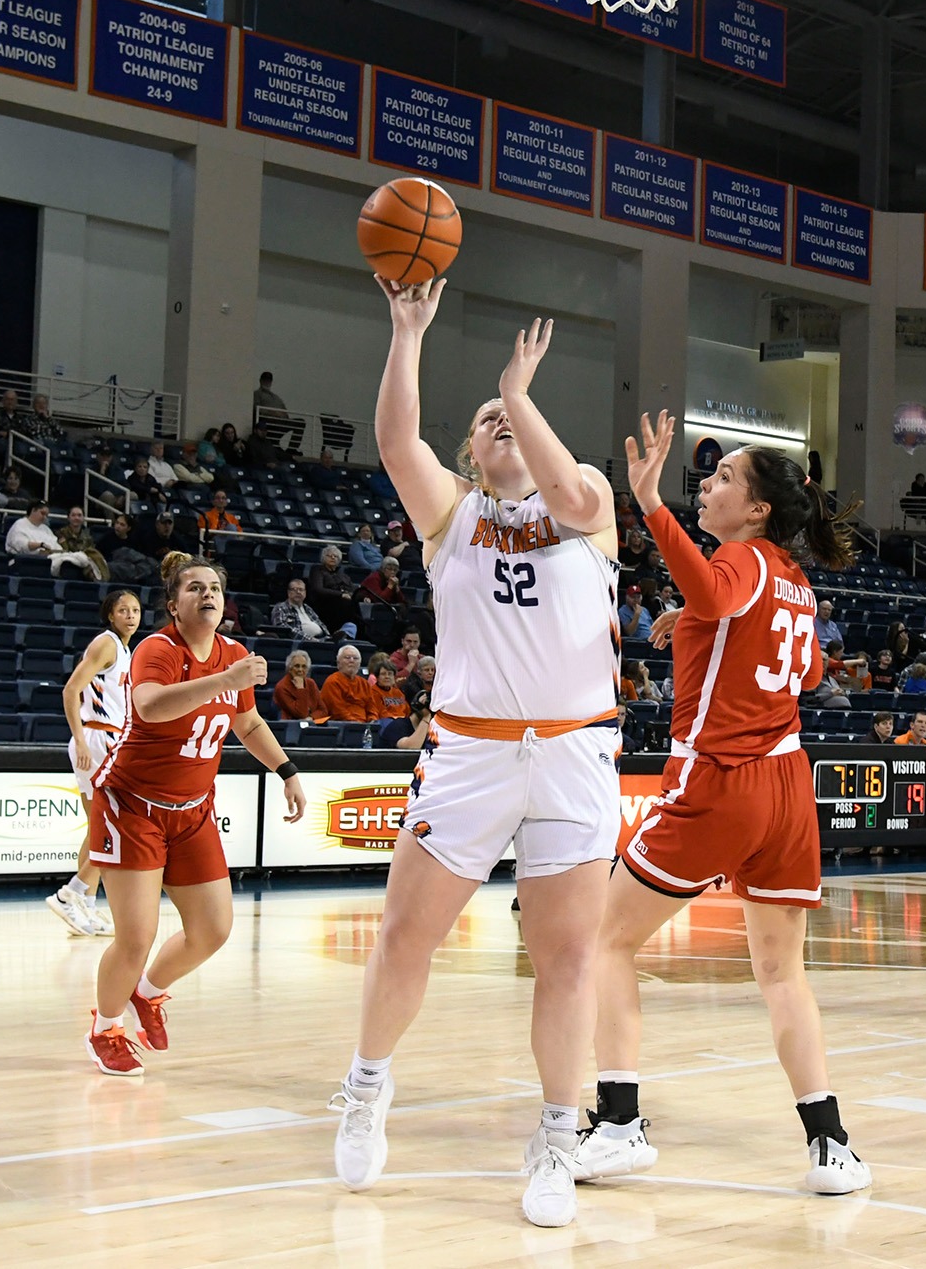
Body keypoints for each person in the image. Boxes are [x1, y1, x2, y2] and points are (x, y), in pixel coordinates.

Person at [330, 278, 622, 1230]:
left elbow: (571, 484)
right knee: (406, 933)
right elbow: (393, 443)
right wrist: (407, 332)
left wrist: (520, 394)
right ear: (469, 450)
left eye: (515, 420)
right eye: (488, 420)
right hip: (470, 752)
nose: (501, 424)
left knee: (567, 957)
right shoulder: (451, 515)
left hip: (575, 754)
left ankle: (553, 1132)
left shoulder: (590, 508)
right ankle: (369, 1085)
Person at [581, 414, 870, 1196]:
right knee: (782, 973)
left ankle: (617, 1124)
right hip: (786, 783)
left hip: (724, 778)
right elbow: (806, 675)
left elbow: (714, 585)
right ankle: (832, 1144)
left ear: (758, 510)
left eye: (725, 479)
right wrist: (704, 624)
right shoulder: (797, 581)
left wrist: (651, 506)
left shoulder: (735, 558)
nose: (709, 485)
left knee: (603, 942)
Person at [82, 553, 305, 1076]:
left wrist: (287, 771)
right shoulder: (158, 648)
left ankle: (148, 993)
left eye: (215, 589)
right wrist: (224, 677)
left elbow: (246, 724)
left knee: (213, 929)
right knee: (135, 936)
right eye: (195, 588)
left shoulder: (234, 653)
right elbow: (152, 706)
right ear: (173, 604)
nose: (208, 595)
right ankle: (105, 1027)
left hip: (193, 811)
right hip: (133, 806)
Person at [49, 590, 145, 940]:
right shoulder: (106, 644)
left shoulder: (124, 649)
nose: (131, 616)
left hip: (107, 738)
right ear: (110, 615)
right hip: (98, 738)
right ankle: (72, 892)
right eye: (123, 610)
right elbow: (70, 690)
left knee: (97, 827)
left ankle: (84, 902)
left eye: (135, 610)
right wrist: (80, 737)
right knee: (117, 825)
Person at [7, 502, 102, 580]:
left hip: (50, 558)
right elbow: (22, 545)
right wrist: (40, 545)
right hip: (28, 561)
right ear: (33, 511)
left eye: (46, 515)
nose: (45, 517)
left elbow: (57, 546)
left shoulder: (45, 528)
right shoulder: (19, 525)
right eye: (42, 513)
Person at [318, 644, 383, 723]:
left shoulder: (364, 683)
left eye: (355, 658)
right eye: (347, 657)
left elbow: (372, 708)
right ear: (338, 662)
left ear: (359, 663)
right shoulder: (332, 681)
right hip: (344, 725)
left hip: (365, 725)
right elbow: (338, 711)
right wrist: (357, 723)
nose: (352, 660)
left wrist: (372, 721)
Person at [308, 545, 361, 630]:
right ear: (323, 558)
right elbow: (318, 589)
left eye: (335, 556)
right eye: (329, 555)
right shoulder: (317, 570)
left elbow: (352, 589)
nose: (333, 558)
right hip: (326, 603)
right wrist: (340, 594)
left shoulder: (343, 575)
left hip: (345, 603)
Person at [58, 507, 111, 583]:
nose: (76, 518)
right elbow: (65, 550)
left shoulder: (88, 535)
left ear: (83, 518)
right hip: (70, 562)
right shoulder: (61, 533)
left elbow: (91, 551)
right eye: (73, 515)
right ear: (68, 518)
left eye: (79, 515)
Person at [271, 578, 331, 643]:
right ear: (288, 592)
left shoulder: (308, 608)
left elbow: (320, 624)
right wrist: (310, 639)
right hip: (300, 643)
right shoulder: (280, 607)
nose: (298, 592)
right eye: (295, 589)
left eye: (301, 590)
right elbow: (281, 628)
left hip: (321, 640)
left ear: (305, 593)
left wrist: (329, 638)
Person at [274, 650, 326, 721]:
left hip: (311, 723)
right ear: (289, 668)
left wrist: (311, 718)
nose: (300, 670)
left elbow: (323, 710)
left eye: (304, 666)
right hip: (291, 726)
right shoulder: (282, 687)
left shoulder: (311, 683)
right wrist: (301, 689)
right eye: (297, 666)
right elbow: (301, 714)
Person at [252, 371, 297, 450]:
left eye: (269, 380)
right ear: (260, 380)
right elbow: (256, 408)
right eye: (265, 379)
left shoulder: (276, 397)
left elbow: (285, 411)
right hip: (268, 421)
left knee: (300, 423)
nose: (267, 382)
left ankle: (292, 449)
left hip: (281, 421)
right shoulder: (257, 394)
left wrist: (283, 415)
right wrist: (272, 413)